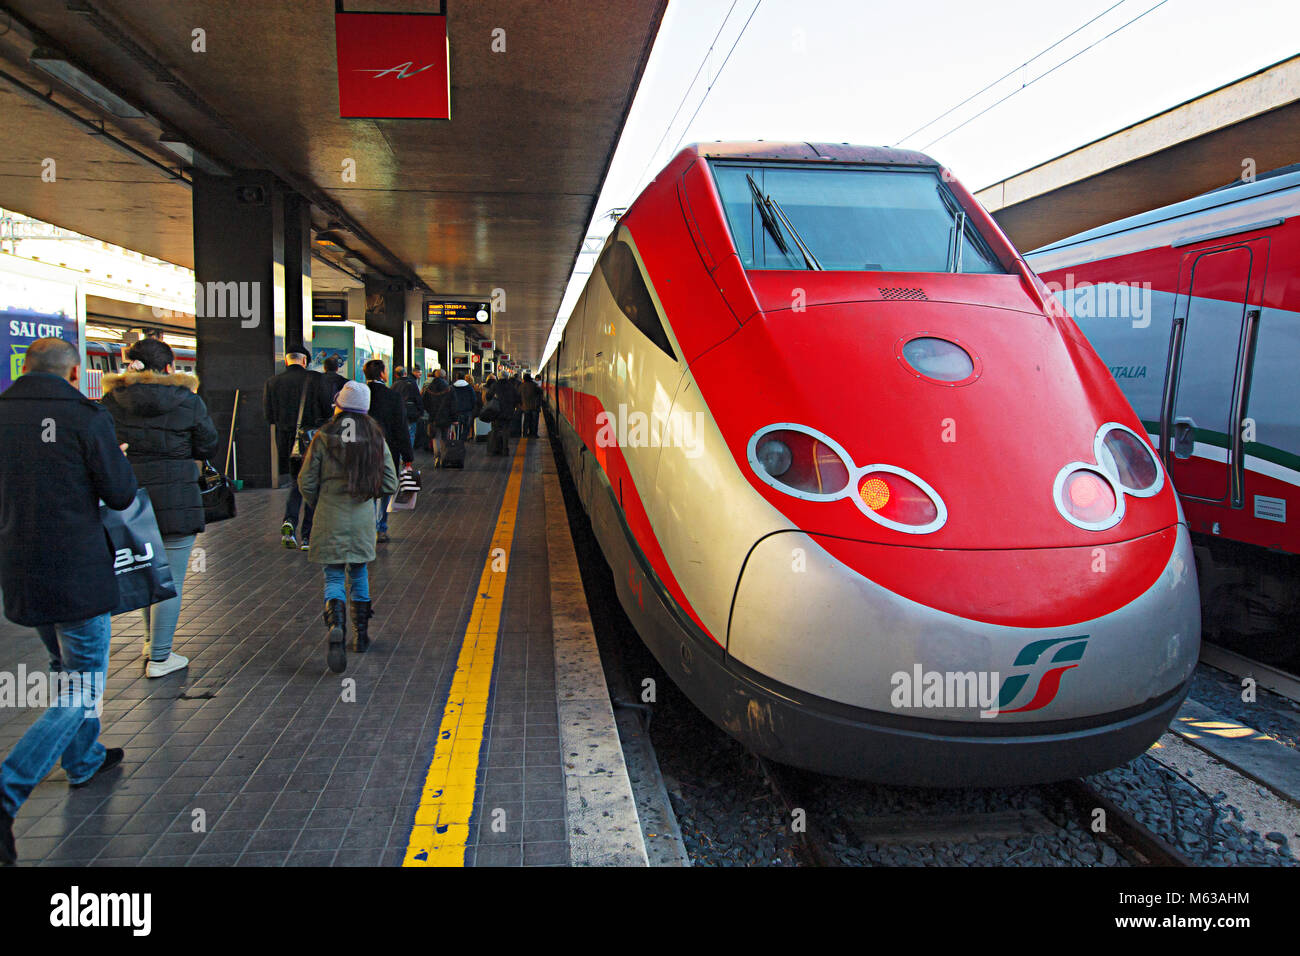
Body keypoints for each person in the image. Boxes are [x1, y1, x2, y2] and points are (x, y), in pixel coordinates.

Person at [0, 337, 139, 866]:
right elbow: (122, 494)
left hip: (20, 568)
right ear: (76, 372)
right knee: (82, 685)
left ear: (25, 368)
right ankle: (9, 789)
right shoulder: (86, 417)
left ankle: (83, 759)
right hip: (76, 570)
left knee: (64, 666)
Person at [101, 338, 220, 677]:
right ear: (169, 367)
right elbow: (207, 444)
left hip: (130, 497)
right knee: (171, 580)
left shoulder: (112, 401)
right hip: (178, 498)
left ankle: (150, 641)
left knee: (145, 569)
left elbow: (103, 445)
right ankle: (161, 656)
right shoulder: (188, 400)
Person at [298, 381, 397, 672]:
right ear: (366, 410)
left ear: (339, 406)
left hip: (329, 514)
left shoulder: (322, 436)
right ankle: (361, 636)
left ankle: (336, 628)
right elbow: (390, 482)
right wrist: (367, 493)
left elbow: (306, 481)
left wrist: (322, 501)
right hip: (363, 518)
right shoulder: (376, 438)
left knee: (332, 576)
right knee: (359, 571)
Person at [263, 349, 330, 549]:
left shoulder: (272, 382)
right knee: (312, 483)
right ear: (304, 360)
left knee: (296, 482)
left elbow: (269, 416)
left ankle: (289, 521)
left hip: (287, 444)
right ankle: (308, 536)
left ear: (286, 360)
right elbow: (327, 409)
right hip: (311, 440)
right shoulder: (316, 379)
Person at [363, 359, 414, 543]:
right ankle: (380, 527)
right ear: (383, 374)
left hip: (363, 451)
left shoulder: (360, 395)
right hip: (388, 449)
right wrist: (408, 456)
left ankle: (367, 524)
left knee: (366, 487)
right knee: (385, 488)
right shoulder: (392, 397)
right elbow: (401, 427)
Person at [421, 369, 452, 465]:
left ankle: (436, 457)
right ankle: (444, 457)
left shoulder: (429, 388)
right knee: (445, 437)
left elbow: (424, 402)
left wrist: (430, 411)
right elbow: (453, 404)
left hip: (433, 416)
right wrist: (454, 417)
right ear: (444, 376)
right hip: (446, 417)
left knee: (435, 437)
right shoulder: (448, 388)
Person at [488, 372, 521, 457]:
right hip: (508, 412)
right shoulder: (511, 386)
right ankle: (505, 450)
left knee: (495, 430)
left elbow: (488, 396)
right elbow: (518, 398)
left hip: (496, 412)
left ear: (499, 377)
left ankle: (495, 450)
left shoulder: (495, 385)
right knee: (506, 431)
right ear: (507, 377)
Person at [391, 365, 422, 454]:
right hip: (412, 413)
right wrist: (420, 411)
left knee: (400, 434)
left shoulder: (394, 385)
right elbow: (418, 398)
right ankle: (408, 456)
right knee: (411, 434)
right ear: (405, 373)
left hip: (399, 413)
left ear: (396, 375)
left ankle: (401, 456)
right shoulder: (412, 383)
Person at [449, 371, 479, 445]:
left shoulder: (452, 387)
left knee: (457, 428)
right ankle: (462, 440)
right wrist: (471, 408)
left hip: (456, 411)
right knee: (466, 427)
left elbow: (449, 399)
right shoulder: (469, 387)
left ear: (456, 378)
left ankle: (458, 440)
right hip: (467, 411)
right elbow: (474, 399)